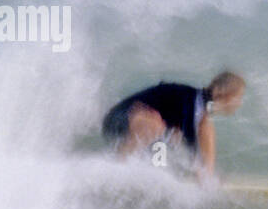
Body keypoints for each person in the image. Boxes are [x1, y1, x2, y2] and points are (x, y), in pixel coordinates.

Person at [101, 71, 245, 181]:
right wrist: (195, 165)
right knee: (155, 124)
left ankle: (208, 177)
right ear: (223, 94)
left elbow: (187, 132)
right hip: (116, 121)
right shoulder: (195, 102)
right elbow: (189, 134)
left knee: (204, 127)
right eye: (238, 97)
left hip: (141, 128)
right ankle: (119, 164)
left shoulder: (200, 107)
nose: (239, 103)